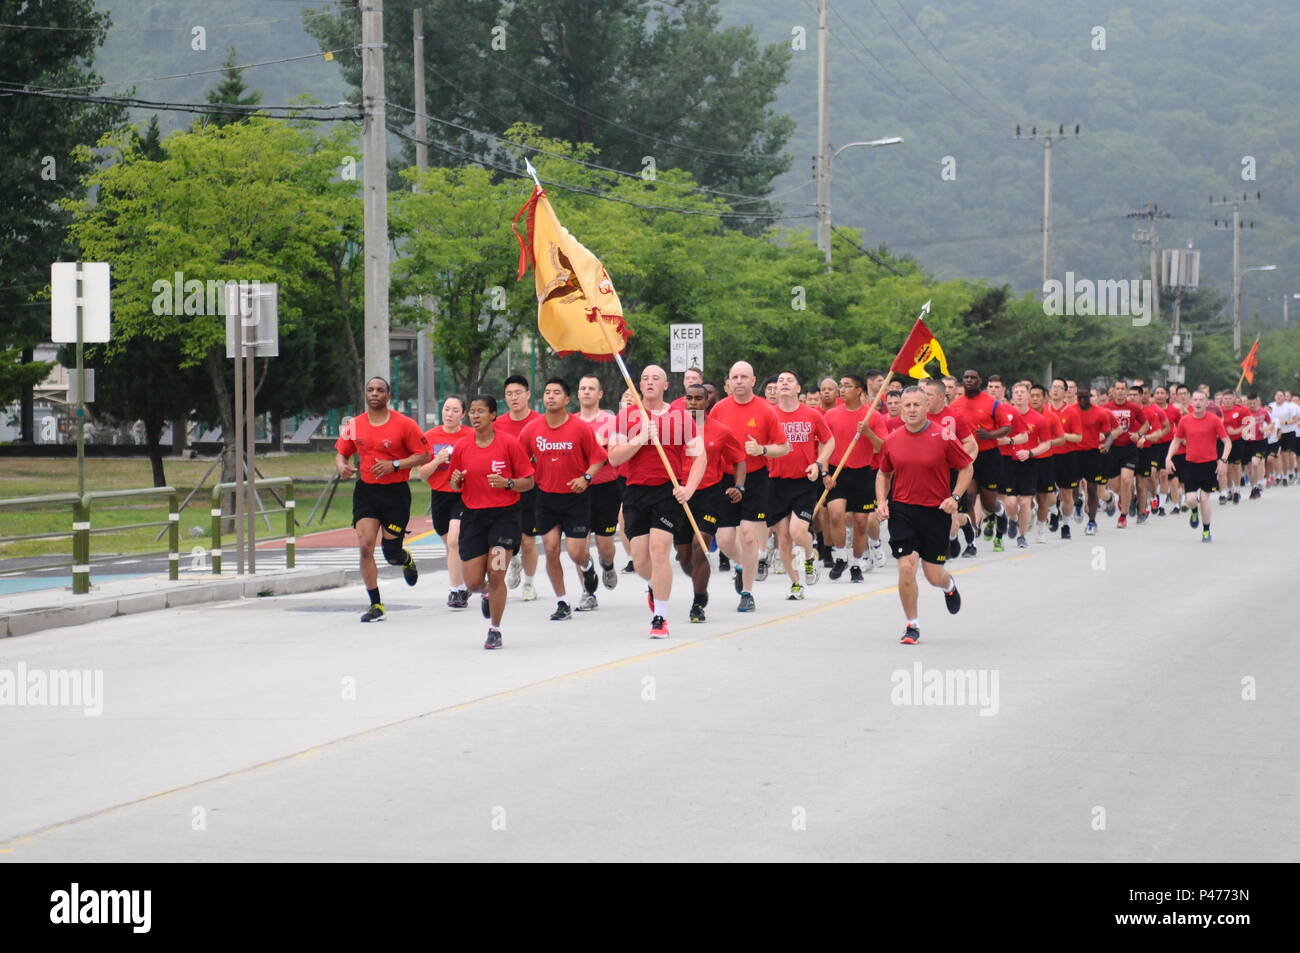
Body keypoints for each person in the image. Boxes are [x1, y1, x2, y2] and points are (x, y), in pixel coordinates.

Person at [607, 365, 706, 638]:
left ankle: (660, 616)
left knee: (660, 550)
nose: (649, 382)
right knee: (640, 560)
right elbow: (614, 457)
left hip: (667, 491)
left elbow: (700, 457)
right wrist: (640, 438)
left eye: (656, 379)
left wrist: (689, 488)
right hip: (636, 492)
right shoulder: (624, 418)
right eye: (645, 378)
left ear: (666, 385)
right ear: (639, 384)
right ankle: (654, 585)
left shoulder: (681, 418)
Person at [875, 386, 973, 645]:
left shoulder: (943, 436)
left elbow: (966, 468)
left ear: (926, 406)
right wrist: (882, 502)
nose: (911, 410)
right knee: (907, 566)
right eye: (907, 405)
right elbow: (883, 473)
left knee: (933, 575)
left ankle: (949, 586)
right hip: (902, 510)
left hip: (935, 511)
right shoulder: (892, 439)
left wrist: (955, 497)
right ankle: (912, 625)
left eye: (917, 404)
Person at [334, 377, 431, 623]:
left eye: (380, 390)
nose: (374, 393)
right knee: (365, 547)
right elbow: (341, 453)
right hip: (366, 492)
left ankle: (405, 558)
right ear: (365, 394)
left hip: (395, 493)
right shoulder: (355, 424)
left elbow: (424, 454)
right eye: (370, 390)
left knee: (391, 553)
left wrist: (395, 464)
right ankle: (375, 603)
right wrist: (342, 466)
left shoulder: (404, 424)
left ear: (388, 396)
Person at [449, 396, 534, 649]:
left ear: (493, 415)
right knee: (473, 582)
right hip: (473, 517)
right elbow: (455, 485)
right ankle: (486, 591)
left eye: (480, 412)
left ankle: (495, 630)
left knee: (497, 573)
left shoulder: (509, 444)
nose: (475, 416)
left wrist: (508, 483)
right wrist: (455, 480)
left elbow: (528, 481)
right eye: (472, 412)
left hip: (504, 517)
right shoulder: (462, 447)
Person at [520, 378, 608, 619]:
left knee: (576, 553)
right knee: (550, 550)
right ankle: (562, 603)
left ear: (567, 399)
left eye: (556, 393)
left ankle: (588, 568)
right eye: (547, 392)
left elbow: (599, 457)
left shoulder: (580, 428)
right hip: (545, 498)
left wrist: (586, 478)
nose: (550, 396)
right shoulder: (532, 430)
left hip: (576, 498)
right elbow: (519, 459)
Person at [710, 361, 789, 612]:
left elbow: (784, 447)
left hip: (755, 478)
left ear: (753, 381)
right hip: (724, 478)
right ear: (729, 382)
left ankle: (747, 592)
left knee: (747, 534)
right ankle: (742, 564)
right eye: (735, 377)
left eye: (744, 377)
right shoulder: (719, 409)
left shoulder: (766, 411)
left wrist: (762, 449)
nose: (739, 381)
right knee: (723, 540)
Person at [675, 382, 745, 622]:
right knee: (685, 558)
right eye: (689, 398)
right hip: (680, 495)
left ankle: (698, 602)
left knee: (700, 546)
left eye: (698, 398)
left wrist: (739, 486)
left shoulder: (721, 430)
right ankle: (698, 578)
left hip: (709, 495)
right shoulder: (674, 428)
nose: (693, 402)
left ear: (707, 403)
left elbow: (739, 459)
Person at [768, 370, 835, 600]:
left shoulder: (812, 415)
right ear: (775, 389)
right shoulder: (769, 415)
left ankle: (809, 555)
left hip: (804, 480)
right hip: (774, 482)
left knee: (797, 531)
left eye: (789, 380)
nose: (783, 383)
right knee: (783, 537)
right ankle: (796, 583)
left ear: (798, 389)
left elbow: (829, 441)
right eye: (780, 380)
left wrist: (819, 462)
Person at [823, 373, 888, 580]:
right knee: (835, 515)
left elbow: (883, 448)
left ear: (859, 390)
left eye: (847, 386)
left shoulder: (872, 416)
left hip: (862, 473)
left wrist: (868, 432)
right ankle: (841, 556)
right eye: (841, 385)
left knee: (861, 523)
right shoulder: (831, 415)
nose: (842, 389)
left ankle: (858, 564)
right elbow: (823, 445)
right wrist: (824, 473)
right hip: (837, 471)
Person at [949, 369, 1012, 555]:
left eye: (973, 377)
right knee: (968, 498)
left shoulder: (992, 403)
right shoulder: (955, 404)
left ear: (979, 381)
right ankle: (972, 542)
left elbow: (1007, 427)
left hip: (989, 456)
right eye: (966, 377)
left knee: (988, 503)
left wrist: (990, 434)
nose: (969, 380)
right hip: (967, 457)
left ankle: (999, 513)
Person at [415, 394, 470, 608]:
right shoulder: (430, 437)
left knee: (455, 541)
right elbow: (422, 473)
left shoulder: (470, 436)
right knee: (451, 546)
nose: (450, 414)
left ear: (463, 414)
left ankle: (455, 591)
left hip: (463, 494)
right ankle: (463, 584)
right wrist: (438, 460)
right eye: (447, 409)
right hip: (439, 495)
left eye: (455, 410)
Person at [494, 375, 543, 599]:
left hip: (531, 487)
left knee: (528, 539)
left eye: (518, 393)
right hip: (504, 489)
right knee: (506, 540)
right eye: (509, 394)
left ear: (527, 395)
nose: (513, 398)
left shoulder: (539, 422)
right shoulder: (497, 426)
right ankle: (513, 560)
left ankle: (529, 584)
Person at [576, 374, 623, 589]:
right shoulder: (570, 422)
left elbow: (615, 454)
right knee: (578, 545)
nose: (586, 392)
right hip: (578, 489)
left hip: (606, 488)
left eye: (591, 388)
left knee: (605, 545)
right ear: (577, 393)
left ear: (600, 394)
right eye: (583, 388)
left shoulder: (611, 422)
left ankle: (608, 564)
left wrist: (601, 449)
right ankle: (588, 591)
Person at [1165, 391, 1230, 543]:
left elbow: (1227, 442)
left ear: (1207, 403)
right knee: (1191, 499)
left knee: (1205, 499)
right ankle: (1194, 511)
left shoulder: (1214, 420)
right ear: (1191, 403)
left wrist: (1223, 460)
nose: (1198, 402)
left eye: (1201, 400)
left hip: (1208, 465)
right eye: (1195, 400)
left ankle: (1206, 531)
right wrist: (1168, 458)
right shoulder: (1185, 421)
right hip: (1191, 465)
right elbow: (1176, 441)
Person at [1099, 380, 1148, 528]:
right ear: (1112, 391)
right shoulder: (1105, 408)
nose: (1120, 391)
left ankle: (1123, 516)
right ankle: (1127, 497)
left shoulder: (1133, 407)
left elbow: (1145, 424)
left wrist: (1139, 434)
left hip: (1129, 448)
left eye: (1122, 389)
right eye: (1117, 389)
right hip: (1112, 449)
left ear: (1126, 391)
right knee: (1114, 486)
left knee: (1126, 480)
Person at [1075, 387, 1120, 535]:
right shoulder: (1071, 411)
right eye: (1079, 397)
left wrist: (1106, 445)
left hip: (1093, 454)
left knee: (1092, 489)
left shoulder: (1100, 413)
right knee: (1072, 487)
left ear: (1090, 397)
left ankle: (1092, 521)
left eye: (1085, 398)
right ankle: (1078, 503)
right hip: (1074, 453)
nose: (1082, 401)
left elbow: (1109, 435)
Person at [1044, 378, 1083, 537]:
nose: (1055, 390)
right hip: (1047, 455)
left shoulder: (1072, 412)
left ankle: (1066, 525)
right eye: (1053, 387)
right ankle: (1054, 512)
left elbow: (1078, 438)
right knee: (1046, 492)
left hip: (1067, 456)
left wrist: (1061, 435)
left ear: (1065, 391)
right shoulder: (1043, 410)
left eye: (1059, 387)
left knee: (1067, 494)